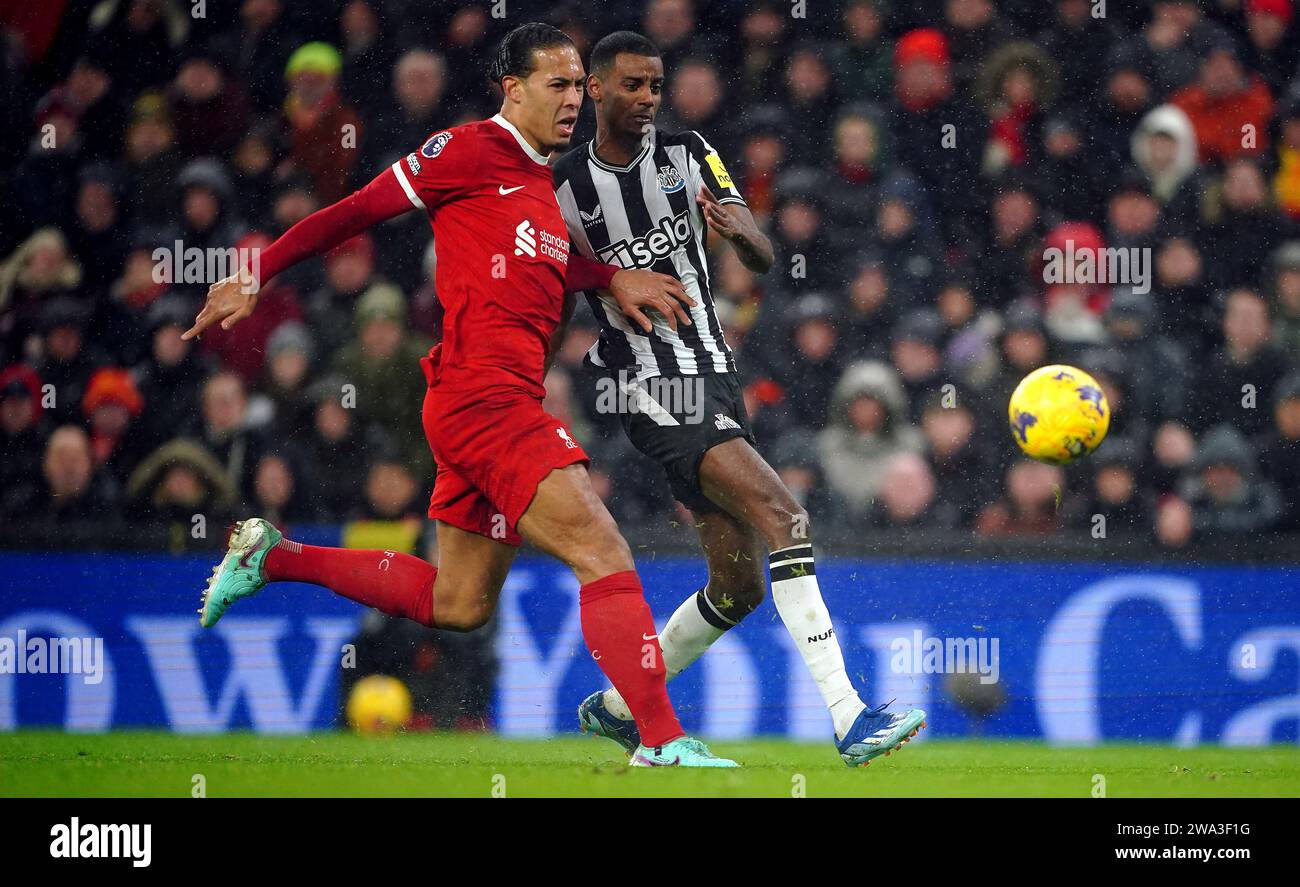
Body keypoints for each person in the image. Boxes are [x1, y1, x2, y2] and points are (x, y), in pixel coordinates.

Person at [182, 23, 732, 768]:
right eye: (558, 85)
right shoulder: (466, 151)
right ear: (513, 89)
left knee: (461, 603)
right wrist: (259, 270)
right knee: (603, 550)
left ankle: (274, 556)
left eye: (579, 86)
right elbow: (356, 210)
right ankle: (662, 739)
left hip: (481, 401)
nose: (575, 100)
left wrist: (609, 278)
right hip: (485, 398)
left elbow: (549, 263)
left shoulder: (542, 183)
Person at [552, 31, 925, 768]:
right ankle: (850, 716)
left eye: (656, 86)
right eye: (632, 85)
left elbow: (759, 249)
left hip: (714, 369)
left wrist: (741, 232)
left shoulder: (687, 152)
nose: (648, 99)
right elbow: (549, 277)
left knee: (738, 583)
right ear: (594, 89)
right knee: (786, 515)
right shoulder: (561, 185)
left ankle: (623, 706)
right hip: (652, 380)